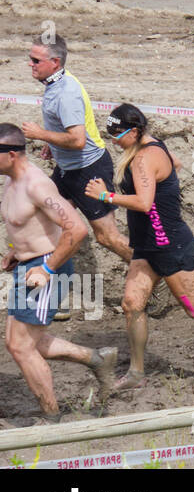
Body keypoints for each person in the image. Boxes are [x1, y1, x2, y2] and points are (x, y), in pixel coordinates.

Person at [86, 104, 194, 389]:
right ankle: (136, 373)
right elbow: (174, 164)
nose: (114, 140)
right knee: (132, 304)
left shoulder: (144, 158)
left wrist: (105, 196)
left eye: (118, 135)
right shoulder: (151, 147)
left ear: (135, 131)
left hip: (170, 245)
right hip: (147, 245)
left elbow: (143, 203)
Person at [1, 124, 116, 423]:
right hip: (29, 266)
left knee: (20, 346)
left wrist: (47, 268)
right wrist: (17, 250)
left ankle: (51, 417)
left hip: (46, 269)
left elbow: (76, 229)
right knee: (27, 342)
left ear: (11, 154)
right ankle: (97, 359)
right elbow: (29, 224)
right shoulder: (10, 181)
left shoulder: (36, 185)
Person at [21, 34, 131, 271]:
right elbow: (69, 126)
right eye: (31, 59)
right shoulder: (56, 82)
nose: (30, 64)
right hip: (67, 169)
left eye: (36, 60)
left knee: (107, 237)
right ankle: (47, 279)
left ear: (55, 63)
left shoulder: (65, 93)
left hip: (88, 170)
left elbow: (78, 140)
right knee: (45, 218)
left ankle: (153, 273)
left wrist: (41, 134)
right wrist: (53, 142)